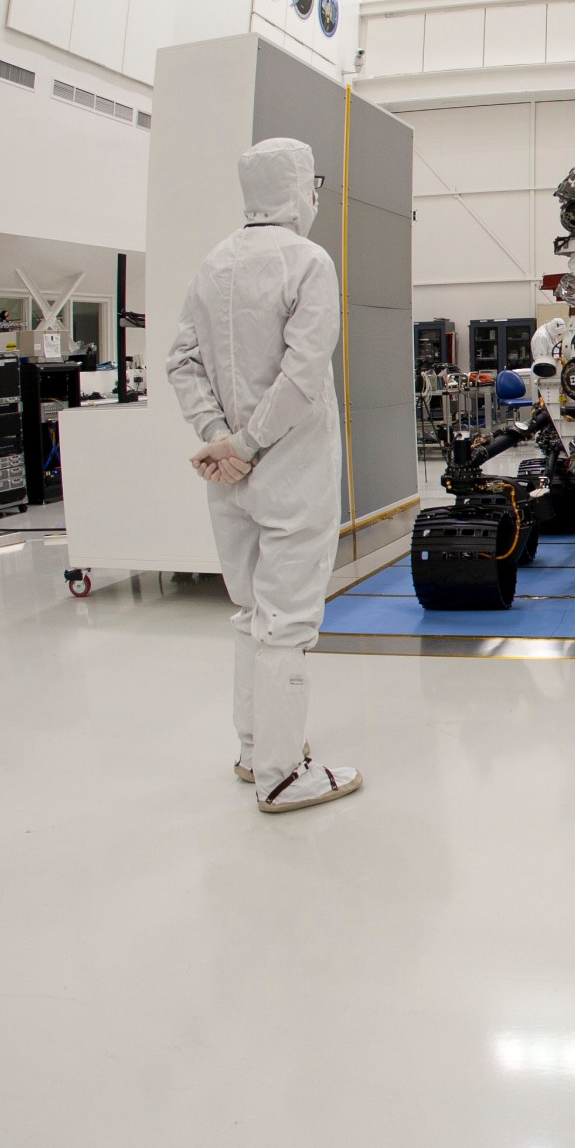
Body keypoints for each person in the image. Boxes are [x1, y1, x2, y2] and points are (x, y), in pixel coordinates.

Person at [167, 137, 361, 813]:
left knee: (250, 613)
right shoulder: (308, 262)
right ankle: (283, 774)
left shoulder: (213, 263)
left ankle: (255, 752)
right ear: (298, 187)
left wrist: (217, 439)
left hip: (229, 481)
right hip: (291, 473)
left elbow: (182, 363)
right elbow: (303, 373)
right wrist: (245, 442)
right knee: (284, 624)